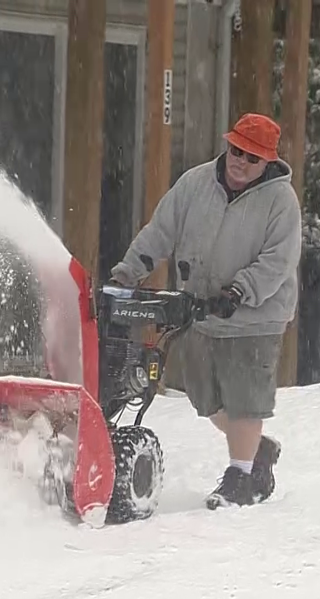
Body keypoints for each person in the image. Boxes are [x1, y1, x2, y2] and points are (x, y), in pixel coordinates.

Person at [110, 112, 302, 510]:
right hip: (201, 309)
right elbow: (160, 232)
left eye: (251, 157)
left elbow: (278, 261)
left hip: (256, 316)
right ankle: (256, 448)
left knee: (245, 399)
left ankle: (240, 479)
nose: (240, 161)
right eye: (236, 151)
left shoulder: (281, 201)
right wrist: (127, 274)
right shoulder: (195, 184)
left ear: (267, 161)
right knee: (206, 400)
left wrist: (240, 290)